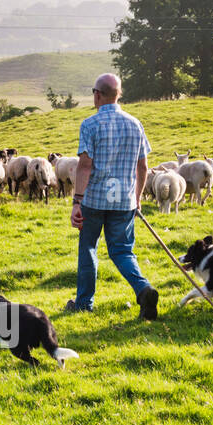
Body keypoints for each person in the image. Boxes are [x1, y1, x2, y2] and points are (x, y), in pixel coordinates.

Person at [67, 73, 158, 320]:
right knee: (123, 252)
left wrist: (77, 202)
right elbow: (143, 167)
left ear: (98, 95)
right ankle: (143, 289)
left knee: (88, 248)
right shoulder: (135, 124)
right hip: (124, 201)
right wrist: (137, 198)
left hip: (94, 200)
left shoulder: (90, 124)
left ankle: (84, 304)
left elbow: (85, 166)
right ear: (118, 94)